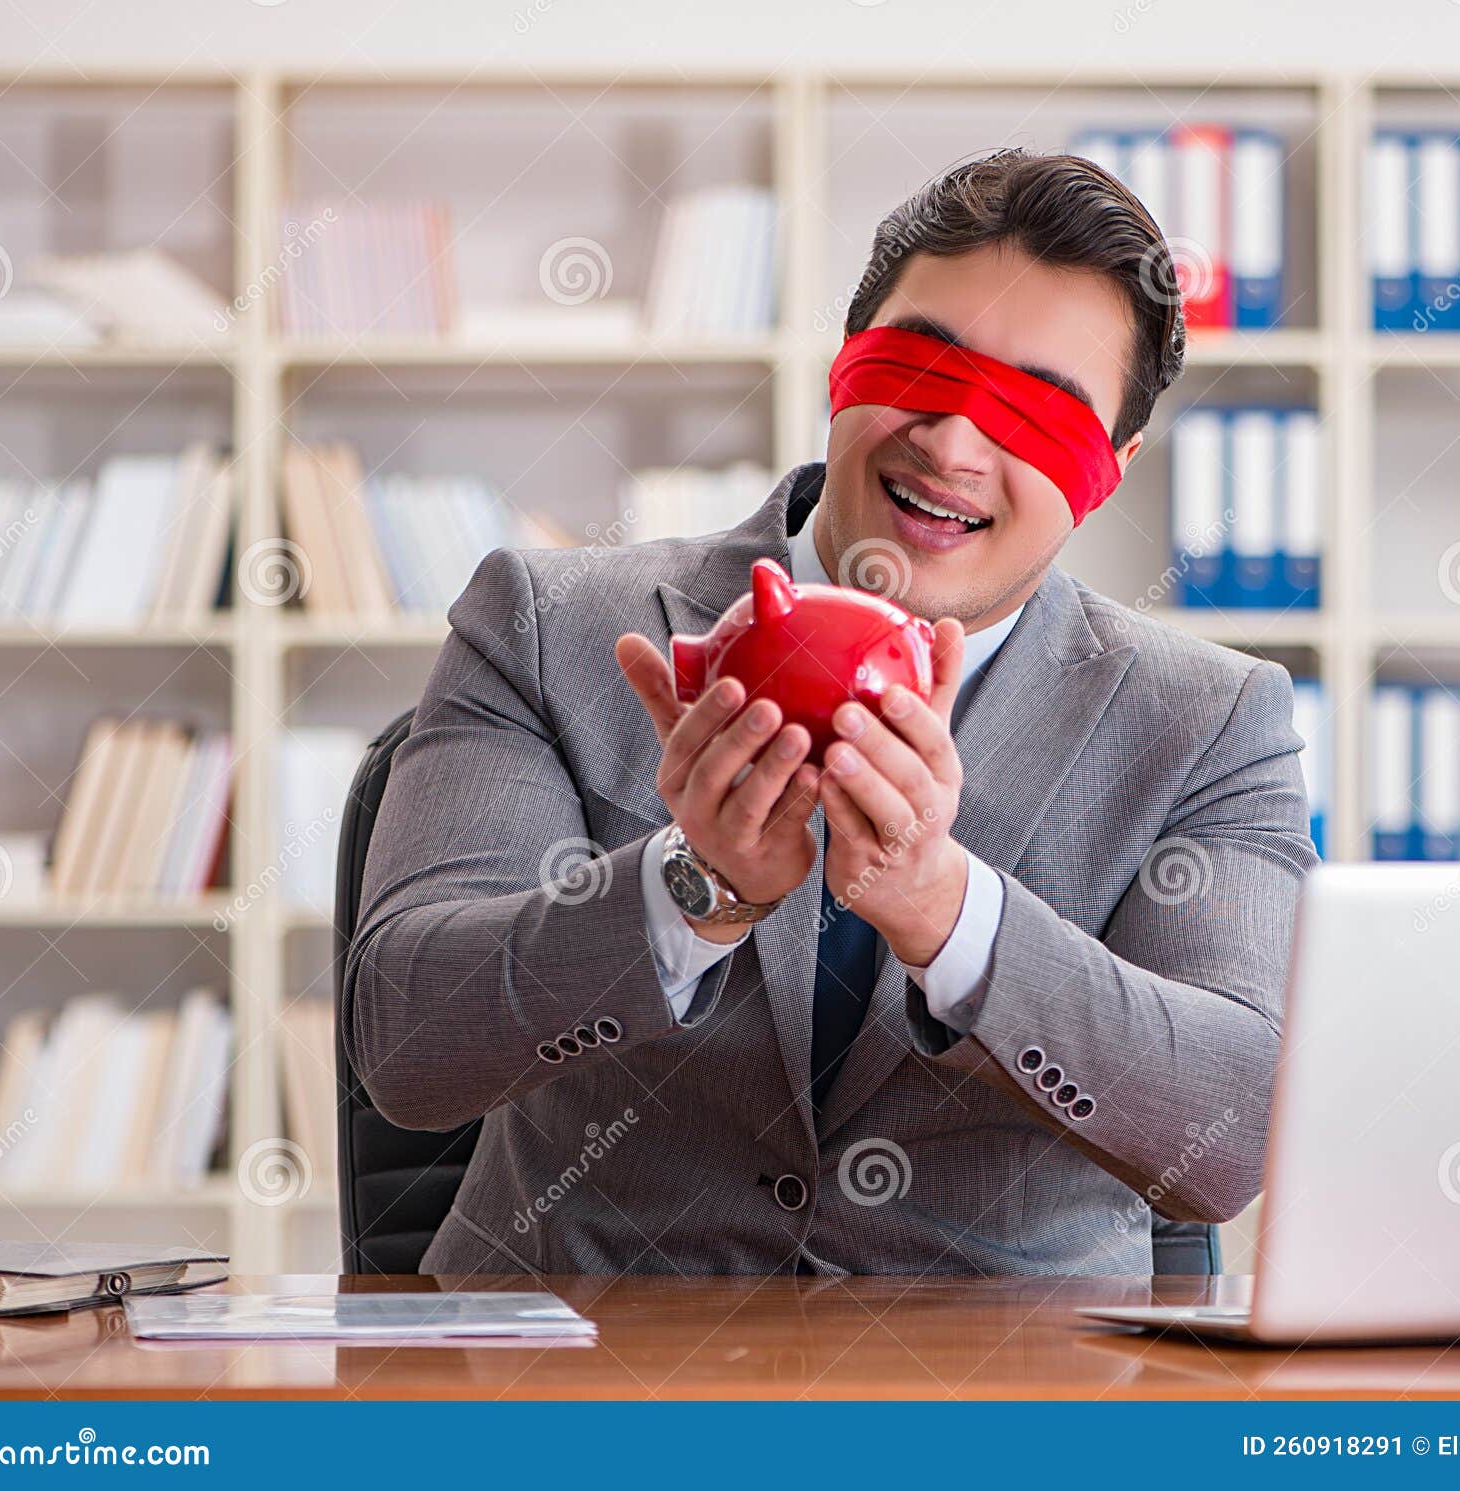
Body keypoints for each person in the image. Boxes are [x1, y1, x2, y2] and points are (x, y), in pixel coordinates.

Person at [344, 148, 1318, 1277]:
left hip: (1003, 1410)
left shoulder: (1209, 722)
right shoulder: (545, 623)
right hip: (588, 1384)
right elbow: (409, 1051)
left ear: (1113, 465)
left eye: (1039, 412)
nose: (954, 445)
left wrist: (949, 917)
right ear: (842, 364)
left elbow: (1232, 1136)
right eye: (922, 366)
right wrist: (686, 893)